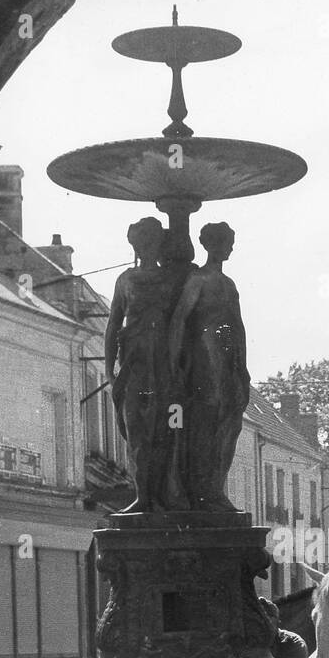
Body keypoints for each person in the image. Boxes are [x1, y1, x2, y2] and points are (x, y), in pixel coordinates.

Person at [104, 217, 192, 513]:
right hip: (134, 364)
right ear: (134, 245)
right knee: (137, 432)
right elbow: (113, 323)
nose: (146, 248)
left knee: (165, 431)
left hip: (164, 363)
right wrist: (109, 371)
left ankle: (164, 495)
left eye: (151, 242)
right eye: (141, 243)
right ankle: (143, 497)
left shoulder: (172, 279)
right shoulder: (126, 280)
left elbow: (183, 322)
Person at [167, 222, 249, 511]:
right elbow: (179, 320)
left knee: (231, 424)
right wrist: (175, 362)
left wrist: (243, 368)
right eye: (225, 242)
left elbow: (238, 327)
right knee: (208, 423)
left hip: (228, 358)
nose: (229, 248)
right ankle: (204, 491)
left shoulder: (229, 284)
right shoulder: (198, 279)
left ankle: (215, 487)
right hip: (206, 356)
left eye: (230, 242)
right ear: (210, 245)